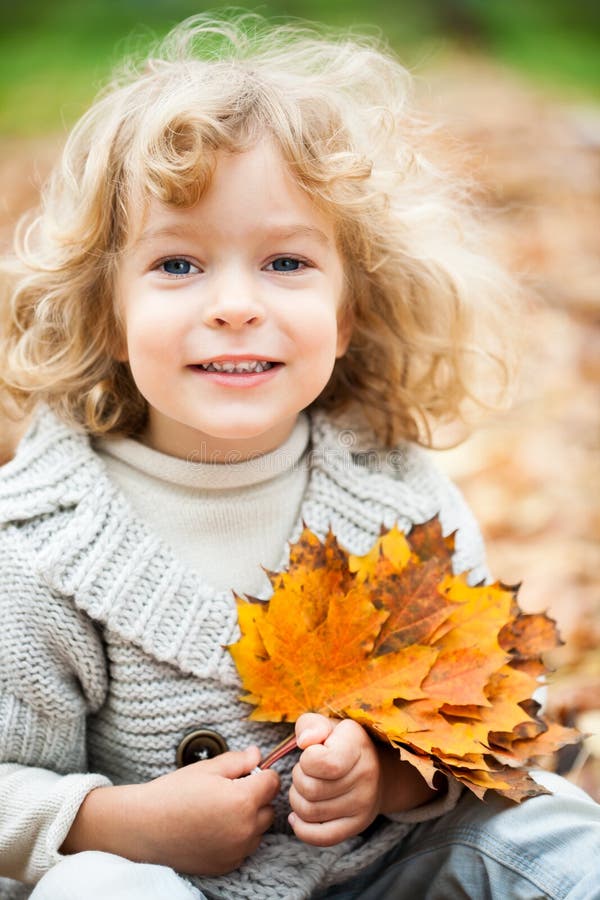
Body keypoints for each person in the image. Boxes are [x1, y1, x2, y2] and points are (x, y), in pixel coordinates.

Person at [1, 13, 599, 900]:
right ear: (108, 316)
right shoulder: (40, 544)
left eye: (285, 262)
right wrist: (118, 824)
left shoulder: (394, 491)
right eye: (177, 265)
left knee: (542, 816)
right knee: (95, 891)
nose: (236, 304)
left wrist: (389, 774)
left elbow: (485, 715)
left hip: (384, 872)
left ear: (351, 310)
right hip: (163, 883)